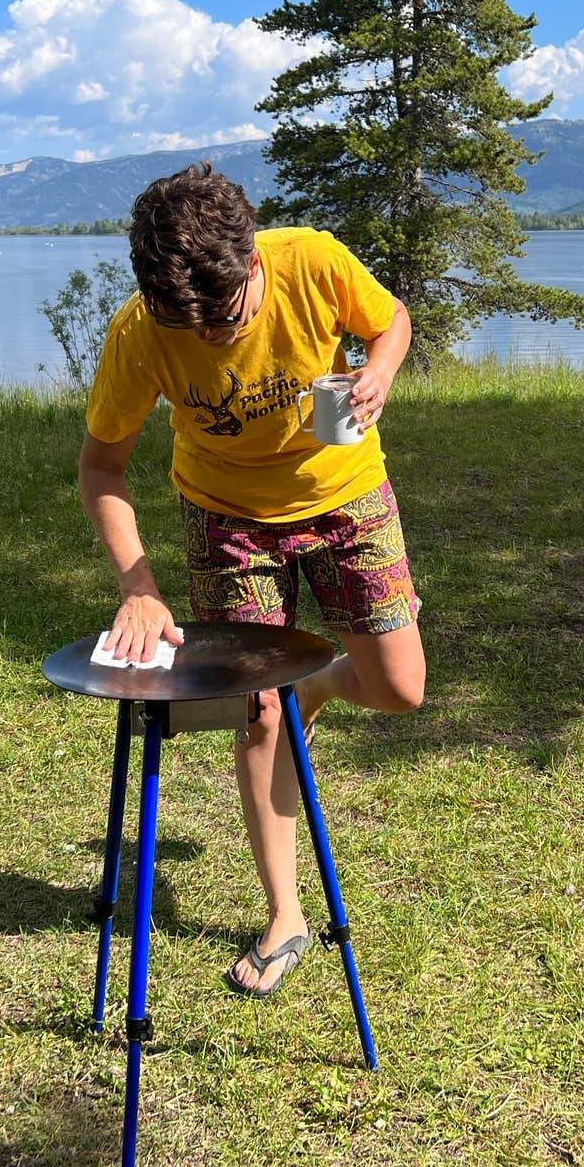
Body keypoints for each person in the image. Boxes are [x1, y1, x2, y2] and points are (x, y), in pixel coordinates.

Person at [78, 163, 425, 999]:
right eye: (185, 326)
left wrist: (377, 371)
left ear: (250, 260)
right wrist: (138, 584)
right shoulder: (140, 332)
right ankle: (285, 915)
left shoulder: (312, 260)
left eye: (224, 316)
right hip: (225, 518)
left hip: (347, 494)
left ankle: (320, 687)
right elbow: (101, 467)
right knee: (257, 709)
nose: (210, 339)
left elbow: (393, 321)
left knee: (402, 691)